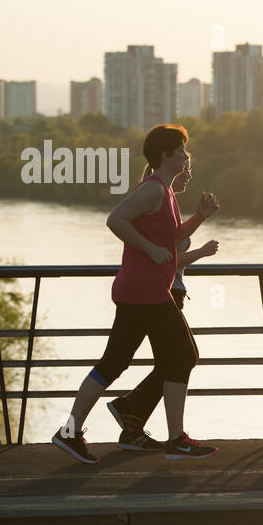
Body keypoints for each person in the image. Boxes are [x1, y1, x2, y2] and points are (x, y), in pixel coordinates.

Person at [51, 124, 218, 463]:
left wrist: (199, 217)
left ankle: (69, 432)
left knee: (114, 363)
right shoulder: (153, 190)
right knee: (184, 355)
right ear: (165, 156)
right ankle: (176, 440)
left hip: (140, 291)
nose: (186, 156)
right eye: (181, 151)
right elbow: (115, 220)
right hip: (146, 292)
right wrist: (150, 250)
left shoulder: (165, 192)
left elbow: (171, 238)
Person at [106, 156, 220, 450]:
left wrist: (200, 217)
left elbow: (168, 246)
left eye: (191, 170)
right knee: (177, 358)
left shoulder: (167, 204)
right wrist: (202, 253)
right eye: (185, 169)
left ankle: (132, 421)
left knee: (170, 360)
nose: (188, 175)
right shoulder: (155, 199)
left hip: (162, 291)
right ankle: (141, 416)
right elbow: (167, 255)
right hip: (163, 292)